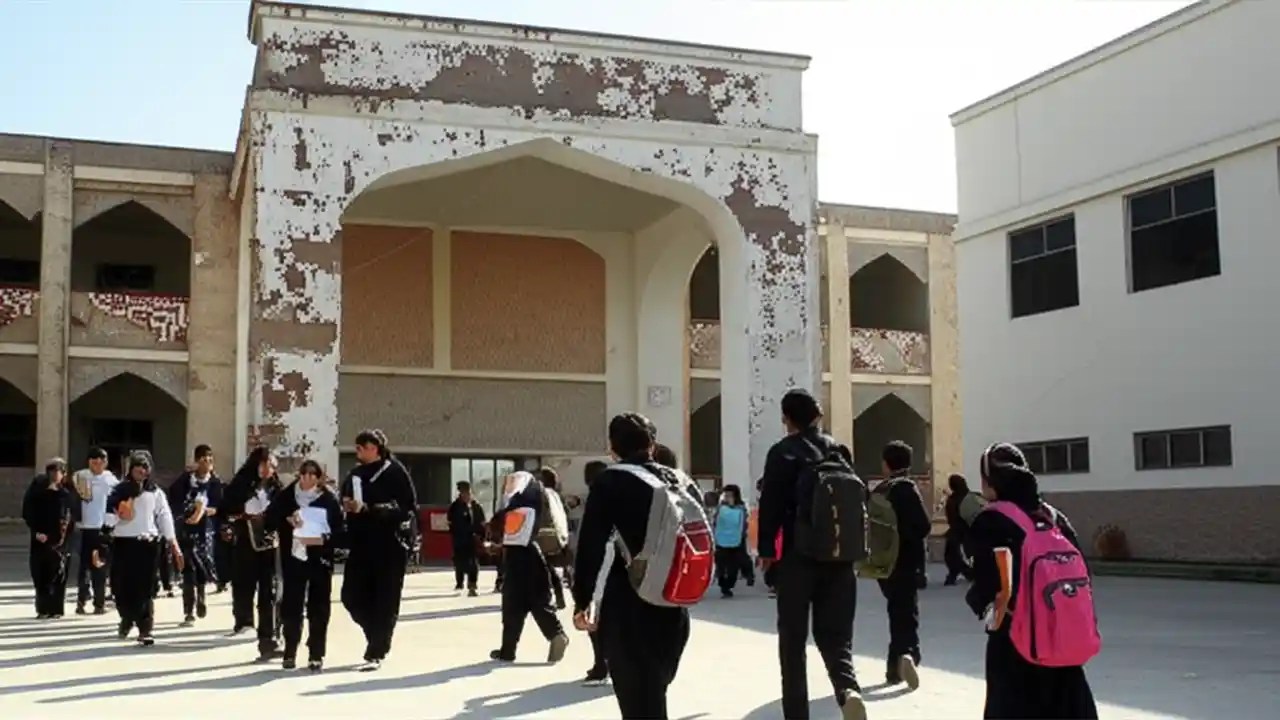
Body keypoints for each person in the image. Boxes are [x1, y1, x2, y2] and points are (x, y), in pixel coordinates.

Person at [572, 413, 691, 720]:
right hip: (673, 603)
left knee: (638, 702)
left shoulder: (610, 481)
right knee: (654, 693)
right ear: (652, 444)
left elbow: (590, 546)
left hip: (628, 604)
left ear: (612, 446)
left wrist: (583, 600)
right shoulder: (679, 480)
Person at [967, 443, 1099, 719]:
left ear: (992, 482)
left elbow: (987, 584)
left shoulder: (992, 520)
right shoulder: (1053, 517)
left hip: (1015, 638)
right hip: (1063, 635)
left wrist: (984, 609)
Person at [757, 389, 865, 720]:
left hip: (797, 557)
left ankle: (797, 715)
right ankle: (847, 689)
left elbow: (771, 505)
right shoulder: (839, 450)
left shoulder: (782, 452)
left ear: (785, 418)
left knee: (792, 641)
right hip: (840, 558)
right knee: (835, 634)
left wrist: (766, 553)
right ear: (818, 415)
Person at [340, 429, 417, 672]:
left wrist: (371, 509)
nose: (359, 451)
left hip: (390, 545)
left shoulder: (394, 471)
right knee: (351, 597)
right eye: (357, 447)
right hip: (361, 544)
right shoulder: (354, 474)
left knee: (385, 599)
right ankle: (375, 634)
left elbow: (406, 507)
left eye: (363, 447)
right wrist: (347, 505)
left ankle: (377, 649)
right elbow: (344, 499)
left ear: (376, 448)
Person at [264, 458, 345, 672]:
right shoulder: (288, 496)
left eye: (313, 474)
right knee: (292, 604)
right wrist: (287, 520)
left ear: (319, 478)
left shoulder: (328, 500)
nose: (307, 478)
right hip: (294, 557)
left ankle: (316, 652)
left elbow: (340, 533)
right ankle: (290, 649)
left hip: (320, 558)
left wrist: (322, 539)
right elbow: (269, 520)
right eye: (304, 473)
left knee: (319, 605)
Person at [488, 470, 569, 663]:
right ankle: (554, 636)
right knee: (534, 602)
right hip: (531, 556)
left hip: (520, 558)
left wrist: (497, 544)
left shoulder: (521, 503)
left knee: (514, 605)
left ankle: (509, 649)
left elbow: (510, 531)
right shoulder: (535, 502)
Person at [107, 452, 182, 646]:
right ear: (131, 469)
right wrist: (118, 513)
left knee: (146, 589)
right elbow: (108, 517)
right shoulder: (119, 491)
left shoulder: (155, 492)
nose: (142, 470)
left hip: (147, 544)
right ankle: (127, 618)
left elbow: (164, 516)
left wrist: (172, 541)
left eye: (145, 467)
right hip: (124, 543)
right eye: (138, 466)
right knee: (122, 587)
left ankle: (145, 628)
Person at [876, 440, 932, 689]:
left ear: (886, 464)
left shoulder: (880, 490)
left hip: (883, 564)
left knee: (896, 612)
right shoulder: (907, 489)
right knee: (907, 614)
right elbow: (923, 526)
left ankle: (894, 668)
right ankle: (908, 654)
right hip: (906, 562)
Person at [222, 446, 283, 660]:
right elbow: (225, 511)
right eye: (265, 464)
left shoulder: (276, 489)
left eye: (272, 465)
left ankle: (269, 639)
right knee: (244, 584)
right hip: (245, 542)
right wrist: (232, 523)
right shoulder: (240, 485)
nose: (268, 469)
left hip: (270, 545)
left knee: (270, 591)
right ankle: (244, 620)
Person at [167, 444, 223, 626]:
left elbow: (220, 506)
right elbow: (173, 496)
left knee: (202, 565)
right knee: (188, 568)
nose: (207, 463)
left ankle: (201, 596)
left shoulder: (215, 482)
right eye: (204, 460)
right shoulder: (186, 480)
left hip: (205, 530)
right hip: (187, 529)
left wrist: (207, 511)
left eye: (210, 460)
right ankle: (188, 611)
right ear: (197, 461)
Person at [24, 459, 73, 620]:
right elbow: (28, 511)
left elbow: (70, 515)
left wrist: (60, 537)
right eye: (51, 472)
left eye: (57, 472)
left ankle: (56, 609)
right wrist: (36, 532)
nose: (54, 475)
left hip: (60, 540)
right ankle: (43, 608)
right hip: (39, 538)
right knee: (40, 572)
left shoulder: (67, 492)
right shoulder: (37, 490)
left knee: (58, 574)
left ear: (63, 474)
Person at [72, 448, 117, 615]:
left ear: (105, 463)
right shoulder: (80, 477)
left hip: (101, 528)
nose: (97, 465)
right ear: (88, 461)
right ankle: (81, 601)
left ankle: (99, 603)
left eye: (101, 462)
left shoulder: (110, 480)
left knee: (100, 566)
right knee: (83, 566)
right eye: (93, 461)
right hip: (83, 527)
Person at [537, 467, 570, 610]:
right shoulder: (556, 495)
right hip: (557, 535)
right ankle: (559, 597)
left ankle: (548, 599)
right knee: (550, 567)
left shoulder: (543, 494)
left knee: (544, 568)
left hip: (543, 536)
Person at [447, 481, 486, 597]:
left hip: (473, 539)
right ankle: (459, 582)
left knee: (473, 563)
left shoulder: (476, 506)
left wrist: (481, 536)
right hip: (459, 539)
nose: (466, 495)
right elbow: (450, 522)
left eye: (467, 493)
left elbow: (482, 522)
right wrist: (455, 533)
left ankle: (472, 585)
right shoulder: (455, 506)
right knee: (459, 562)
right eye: (463, 493)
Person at [713, 484, 752, 598]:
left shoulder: (741, 508)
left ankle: (730, 585)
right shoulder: (720, 508)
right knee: (721, 566)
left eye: (730, 495)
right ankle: (723, 586)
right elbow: (716, 521)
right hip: (721, 541)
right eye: (726, 494)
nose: (727, 497)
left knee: (733, 567)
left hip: (736, 541)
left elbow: (744, 523)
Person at [943, 473, 976, 585]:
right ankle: (967, 573)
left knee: (952, 555)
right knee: (955, 554)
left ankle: (962, 573)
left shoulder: (954, 499)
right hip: (967, 530)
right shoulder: (970, 497)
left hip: (959, 530)